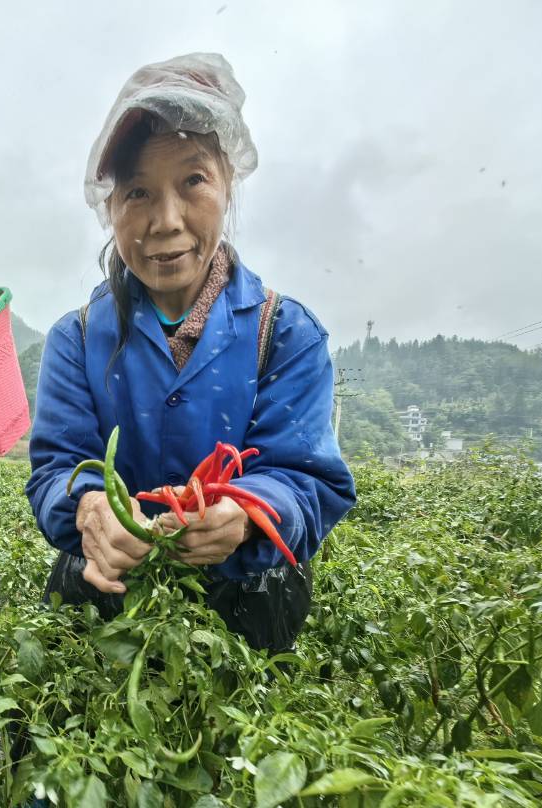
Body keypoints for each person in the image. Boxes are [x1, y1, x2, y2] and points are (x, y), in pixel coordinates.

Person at [25, 53, 356, 654]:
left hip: (247, 599)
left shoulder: (285, 332)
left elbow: (309, 479)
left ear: (228, 182)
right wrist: (89, 510)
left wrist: (250, 512)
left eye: (193, 181)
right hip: (108, 592)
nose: (166, 221)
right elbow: (55, 469)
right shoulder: (75, 339)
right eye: (138, 193)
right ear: (111, 207)